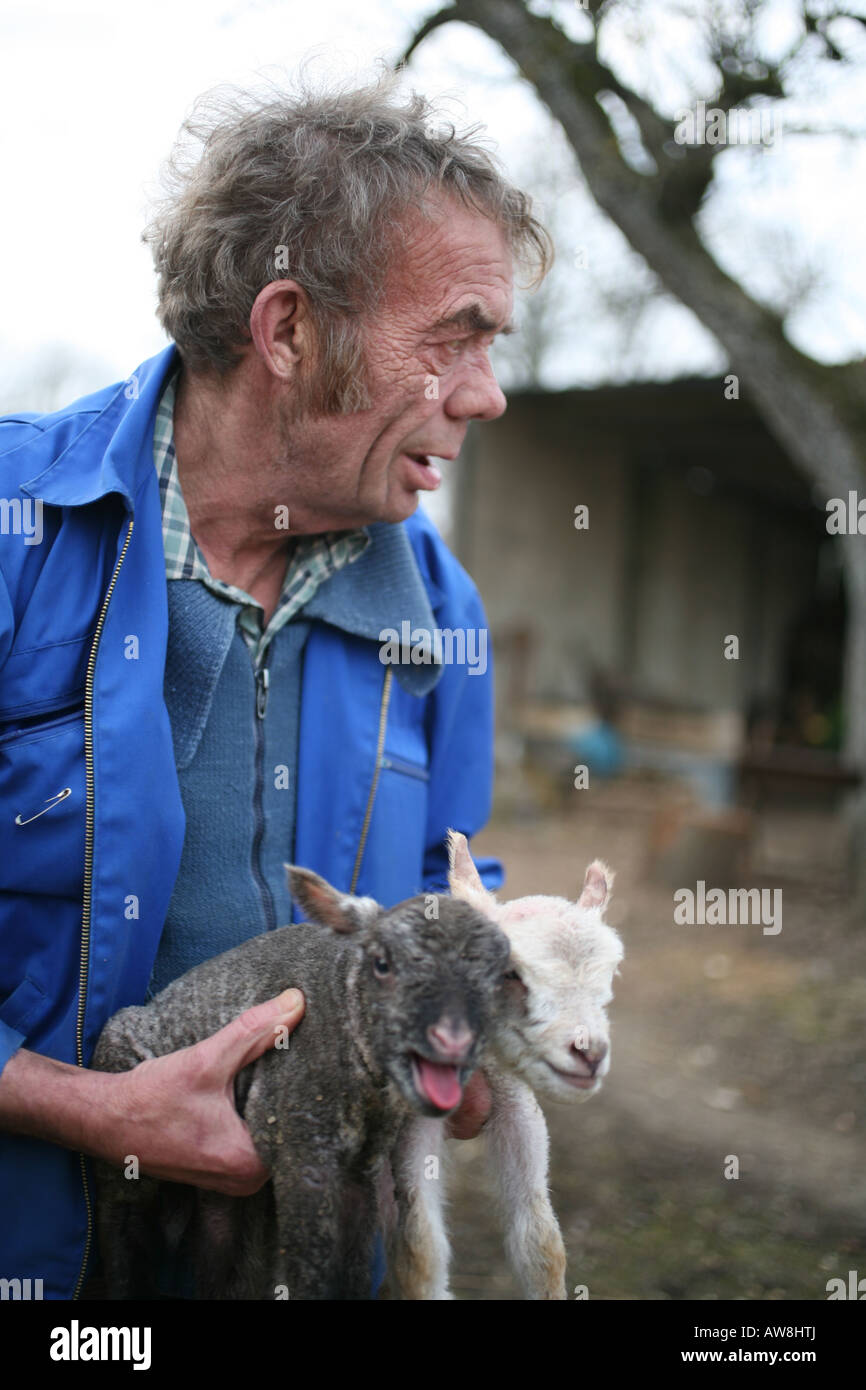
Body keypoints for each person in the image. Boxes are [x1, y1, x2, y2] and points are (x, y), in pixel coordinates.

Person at [0, 72, 551, 1299]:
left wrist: (494, 1011)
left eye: (490, 346)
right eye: (452, 336)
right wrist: (87, 1108)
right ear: (290, 330)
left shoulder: (441, 613)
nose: (485, 390)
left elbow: (447, 889)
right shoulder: (14, 534)